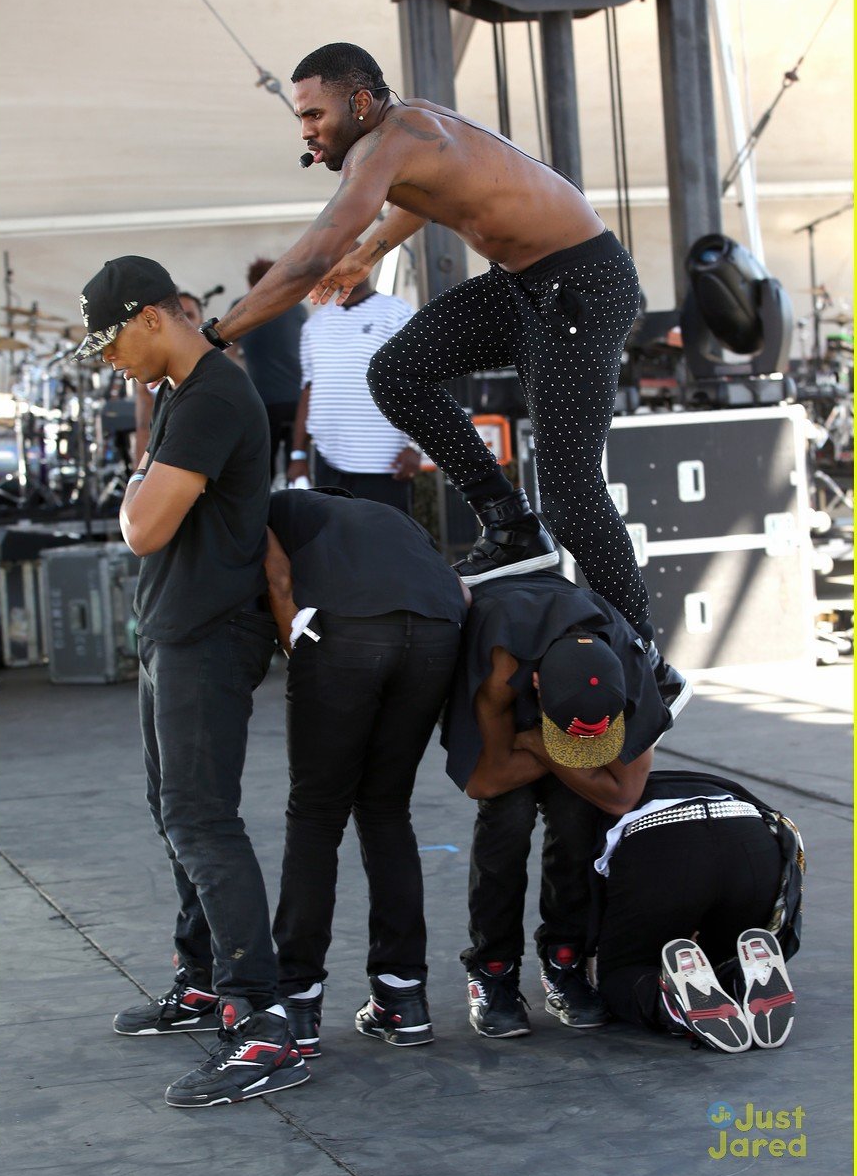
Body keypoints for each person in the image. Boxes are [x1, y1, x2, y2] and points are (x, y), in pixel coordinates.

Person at [199, 42, 686, 714]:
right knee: (397, 372)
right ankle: (511, 524)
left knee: (571, 487)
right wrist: (368, 252)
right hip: (521, 286)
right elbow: (423, 199)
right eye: (300, 120)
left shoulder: (381, 147)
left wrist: (215, 336)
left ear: (359, 102)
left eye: (313, 114)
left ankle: (647, 657)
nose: (306, 131)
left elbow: (310, 255)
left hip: (582, 285)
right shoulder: (408, 128)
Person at [73, 256, 309, 1108]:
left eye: (113, 343)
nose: (109, 363)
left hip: (208, 632)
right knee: (174, 812)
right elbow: (148, 508)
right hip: (176, 629)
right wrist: (144, 476)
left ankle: (262, 1022)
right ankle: (206, 981)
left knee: (200, 819)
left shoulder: (209, 395)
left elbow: (141, 529)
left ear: (152, 317)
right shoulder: (180, 390)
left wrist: (139, 485)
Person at [264, 486, 469, 1054]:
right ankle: (403, 999)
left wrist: (293, 642)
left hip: (347, 631)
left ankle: (296, 1003)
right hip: (436, 630)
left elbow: (276, 577)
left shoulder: (273, 507)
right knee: (385, 810)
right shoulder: (387, 516)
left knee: (315, 815)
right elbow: (457, 589)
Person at [441, 569, 672, 1038]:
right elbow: (484, 781)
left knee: (577, 814)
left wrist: (538, 745)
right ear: (539, 686)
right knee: (507, 815)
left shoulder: (633, 671)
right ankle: (492, 968)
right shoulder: (500, 669)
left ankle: (564, 958)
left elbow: (622, 797)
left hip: (532, 730)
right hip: (502, 629)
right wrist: (581, 762)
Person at [590, 768, 802, 1053]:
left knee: (621, 973)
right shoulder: (709, 781)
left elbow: (585, 900)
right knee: (724, 952)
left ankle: (670, 1002)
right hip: (751, 838)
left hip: (663, 843)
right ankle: (740, 976)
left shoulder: (595, 799)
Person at [288, 256, 420, 512]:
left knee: (385, 544)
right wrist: (298, 455)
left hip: (385, 464)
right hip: (329, 461)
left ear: (368, 263)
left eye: (356, 257)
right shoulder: (313, 325)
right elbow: (308, 390)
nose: (347, 264)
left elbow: (418, 378)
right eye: (338, 259)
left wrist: (415, 446)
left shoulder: (396, 311)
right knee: (337, 543)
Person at [232, 258, 307, 481]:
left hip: (262, 400)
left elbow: (230, 353)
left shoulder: (240, 306)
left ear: (250, 284)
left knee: (263, 469)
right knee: (298, 465)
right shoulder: (297, 307)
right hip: (297, 398)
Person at [133, 290, 203, 464]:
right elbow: (143, 428)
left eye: (190, 315)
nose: (185, 322)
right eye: (179, 315)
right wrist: (138, 474)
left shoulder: (215, 367)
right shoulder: (151, 370)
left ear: (201, 319)